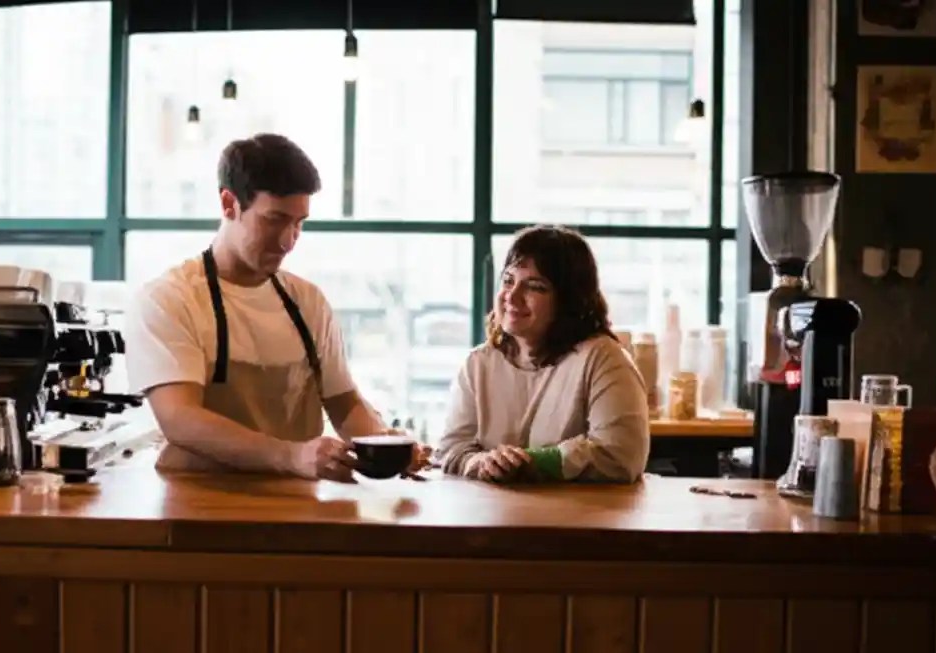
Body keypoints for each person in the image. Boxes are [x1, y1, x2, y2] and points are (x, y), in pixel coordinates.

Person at [124, 133, 426, 481]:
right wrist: (292, 456)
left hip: (294, 506)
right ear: (229, 204)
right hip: (197, 505)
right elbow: (180, 420)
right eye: (274, 220)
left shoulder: (308, 301)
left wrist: (387, 444)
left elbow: (344, 404)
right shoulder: (170, 299)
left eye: (299, 224)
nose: (288, 241)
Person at [436, 225, 650, 483]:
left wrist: (531, 462)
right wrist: (482, 463)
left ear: (569, 300)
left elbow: (621, 455)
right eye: (508, 281)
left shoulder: (602, 358)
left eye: (534, 287)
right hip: (492, 518)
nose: (512, 297)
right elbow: (451, 451)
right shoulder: (478, 364)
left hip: (578, 519)